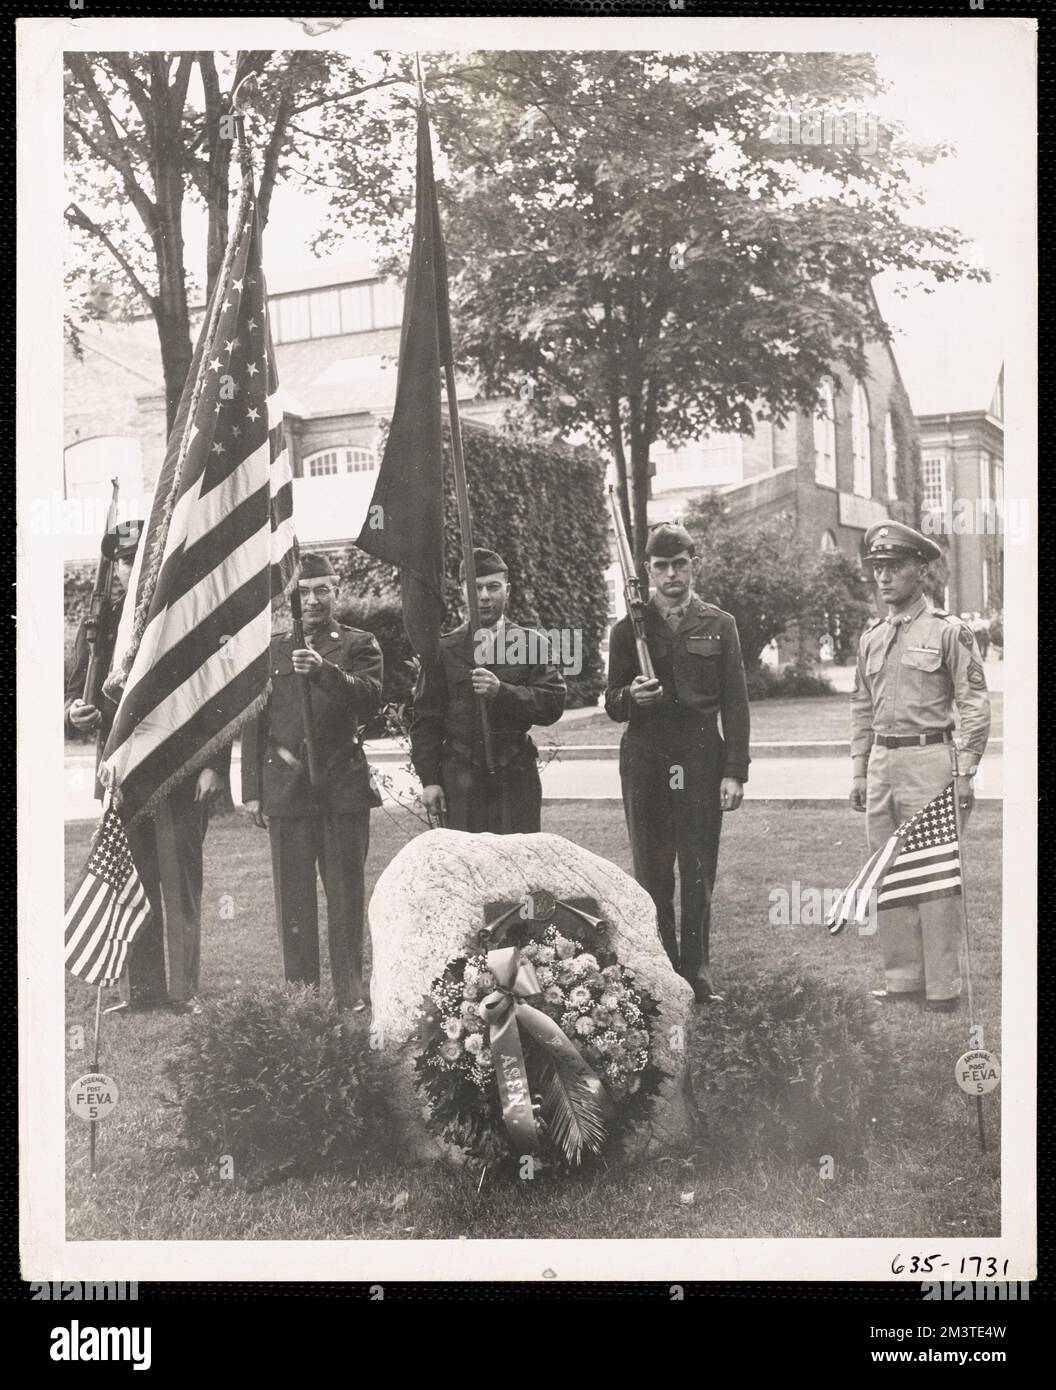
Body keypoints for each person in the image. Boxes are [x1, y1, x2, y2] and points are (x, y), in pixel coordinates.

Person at [65, 519, 229, 1013]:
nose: (128, 571)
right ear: (113, 567)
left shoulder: (185, 612)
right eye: (121, 562)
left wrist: (212, 764)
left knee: (178, 879)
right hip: (123, 771)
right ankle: (144, 991)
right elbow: (76, 688)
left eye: (138, 561)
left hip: (182, 766)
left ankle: (183, 990)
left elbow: (215, 694)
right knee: (133, 878)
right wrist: (75, 710)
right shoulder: (102, 623)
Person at [605, 522, 750, 1004]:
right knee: (652, 869)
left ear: (694, 566)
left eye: (680, 564)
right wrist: (631, 695)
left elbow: (736, 703)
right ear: (647, 570)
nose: (671, 575)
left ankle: (699, 969)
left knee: (697, 866)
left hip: (701, 756)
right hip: (646, 756)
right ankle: (662, 967)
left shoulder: (718, 623)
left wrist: (734, 770)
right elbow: (610, 700)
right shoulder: (629, 629)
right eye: (661, 566)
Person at [850, 522, 991, 1011]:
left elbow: (974, 701)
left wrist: (966, 770)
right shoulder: (871, 637)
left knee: (932, 872)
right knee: (886, 869)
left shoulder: (949, 631)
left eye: (894, 567)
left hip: (931, 759)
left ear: (921, 570)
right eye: (878, 569)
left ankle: (943, 988)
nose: (884, 578)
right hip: (883, 762)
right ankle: (903, 979)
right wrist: (858, 770)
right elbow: (861, 707)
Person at [241, 552, 383, 1012]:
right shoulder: (272, 650)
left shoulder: (360, 645)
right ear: (290, 599)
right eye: (303, 591)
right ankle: (301, 994)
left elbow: (372, 698)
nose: (314, 599)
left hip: (341, 788)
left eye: (323, 589)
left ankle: (350, 993)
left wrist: (324, 670)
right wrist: (252, 790)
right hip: (287, 790)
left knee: (345, 894)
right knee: (293, 900)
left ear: (337, 591)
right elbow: (254, 723)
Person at [410, 546, 567, 833]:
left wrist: (502, 691)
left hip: (515, 774)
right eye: (476, 588)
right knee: (467, 869)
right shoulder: (442, 650)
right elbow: (425, 720)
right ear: (461, 592)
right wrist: (429, 780)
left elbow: (551, 704)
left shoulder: (532, 643)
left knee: (519, 864)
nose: (484, 597)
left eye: (493, 587)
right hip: (461, 778)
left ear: (508, 590)